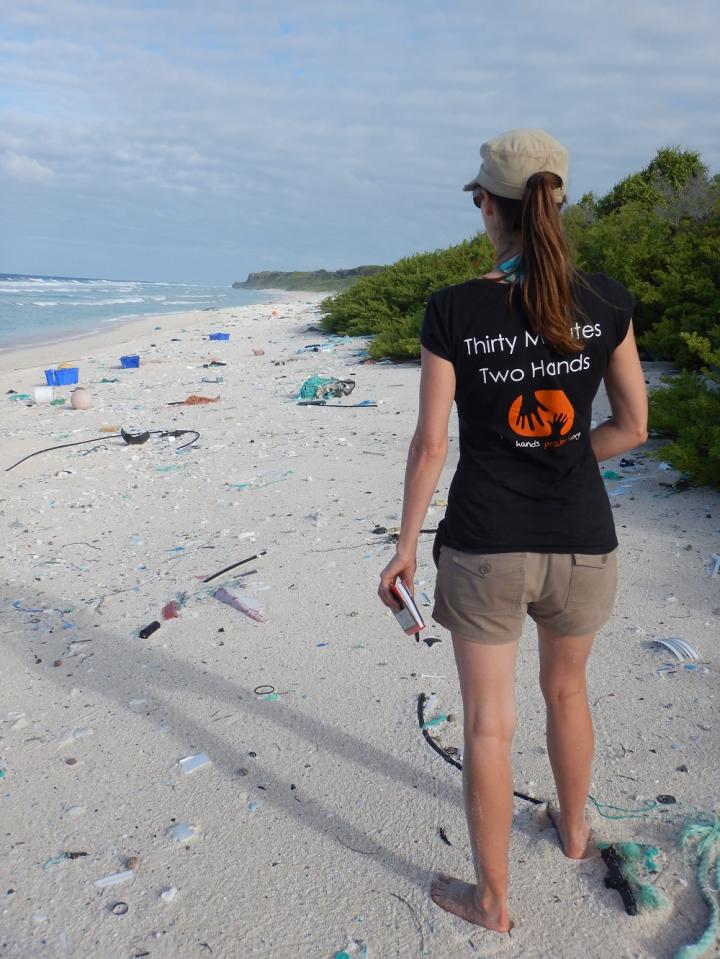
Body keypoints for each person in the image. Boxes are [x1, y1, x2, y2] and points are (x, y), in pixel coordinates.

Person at [377, 129, 648, 934]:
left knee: (489, 723)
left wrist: (401, 545)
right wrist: (564, 457)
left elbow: (431, 445)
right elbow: (632, 425)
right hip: (583, 539)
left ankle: (492, 901)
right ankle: (572, 830)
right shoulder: (605, 300)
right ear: (557, 200)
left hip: (486, 541)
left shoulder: (455, 307)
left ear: (488, 206)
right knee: (567, 690)